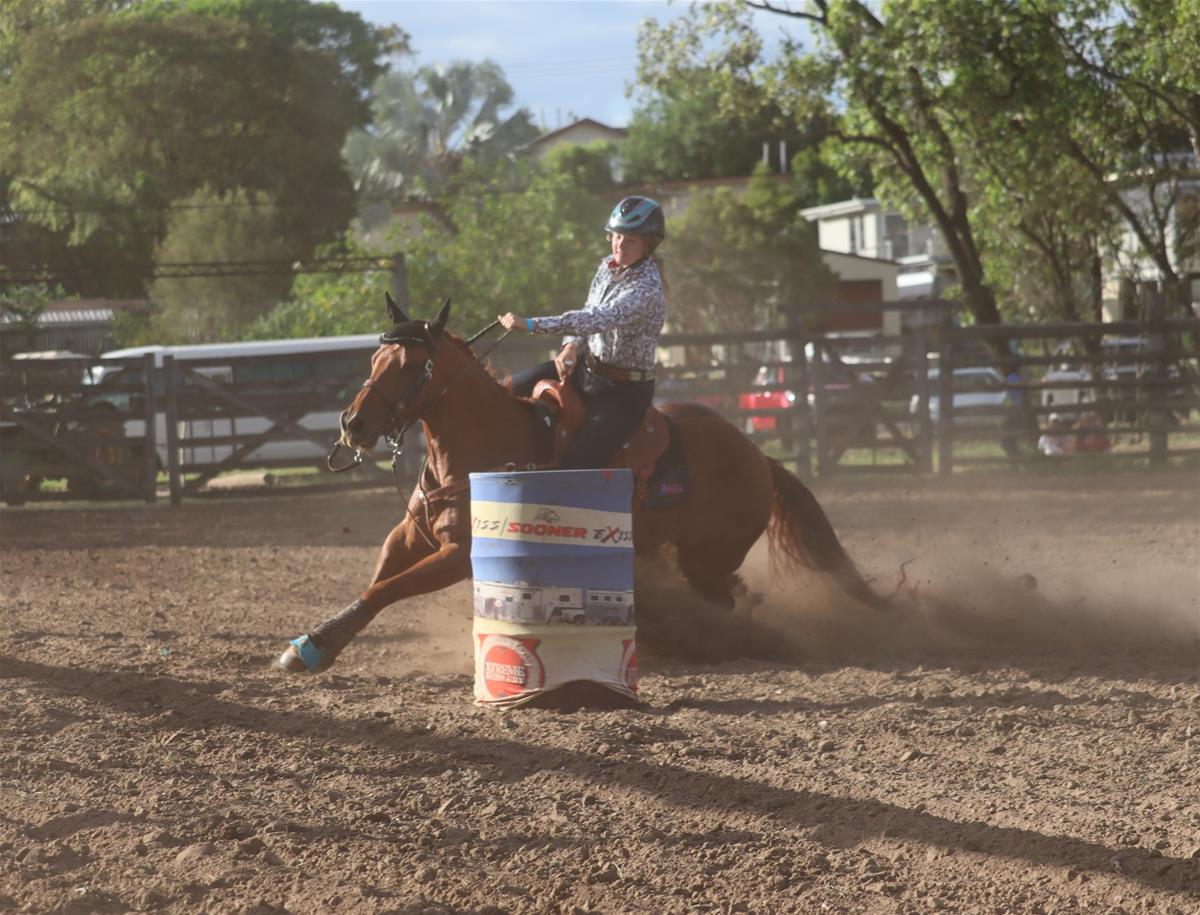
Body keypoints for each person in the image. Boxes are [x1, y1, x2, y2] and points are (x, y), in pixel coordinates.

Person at [498, 196, 667, 469]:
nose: (620, 244)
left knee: (577, 466)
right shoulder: (607, 267)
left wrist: (531, 324)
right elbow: (589, 309)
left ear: (648, 244)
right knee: (504, 391)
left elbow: (597, 319)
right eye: (617, 236)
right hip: (585, 371)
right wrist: (571, 346)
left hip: (623, 393)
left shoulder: (646, 289)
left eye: (630, 240)